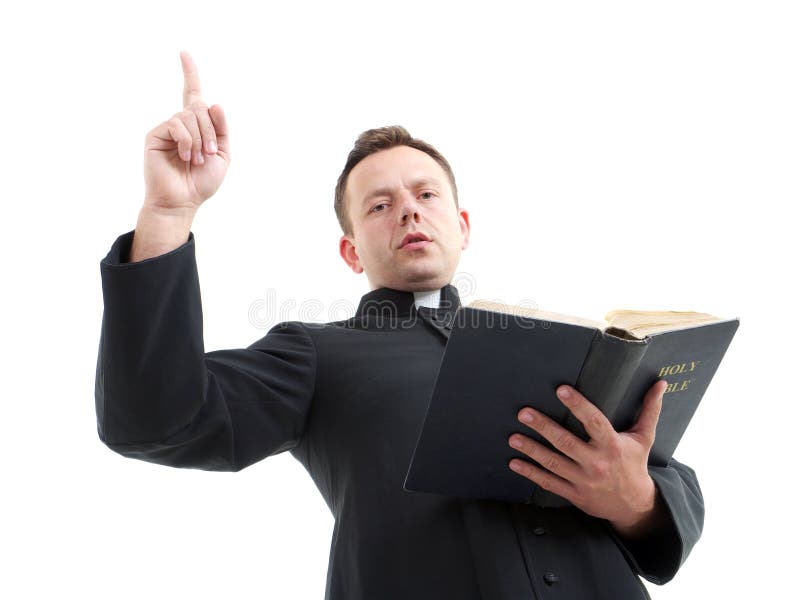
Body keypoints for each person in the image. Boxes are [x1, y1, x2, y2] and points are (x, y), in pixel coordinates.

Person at [95, 52, 703, 600]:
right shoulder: (313, 353)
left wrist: (636, 501)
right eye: (379, 205)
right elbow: (155, 419)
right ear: (352, 252)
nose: (409, 209)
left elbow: (671, 483)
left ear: (463, 226)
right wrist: (167, 214)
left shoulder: (570, 351)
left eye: (426, 195)